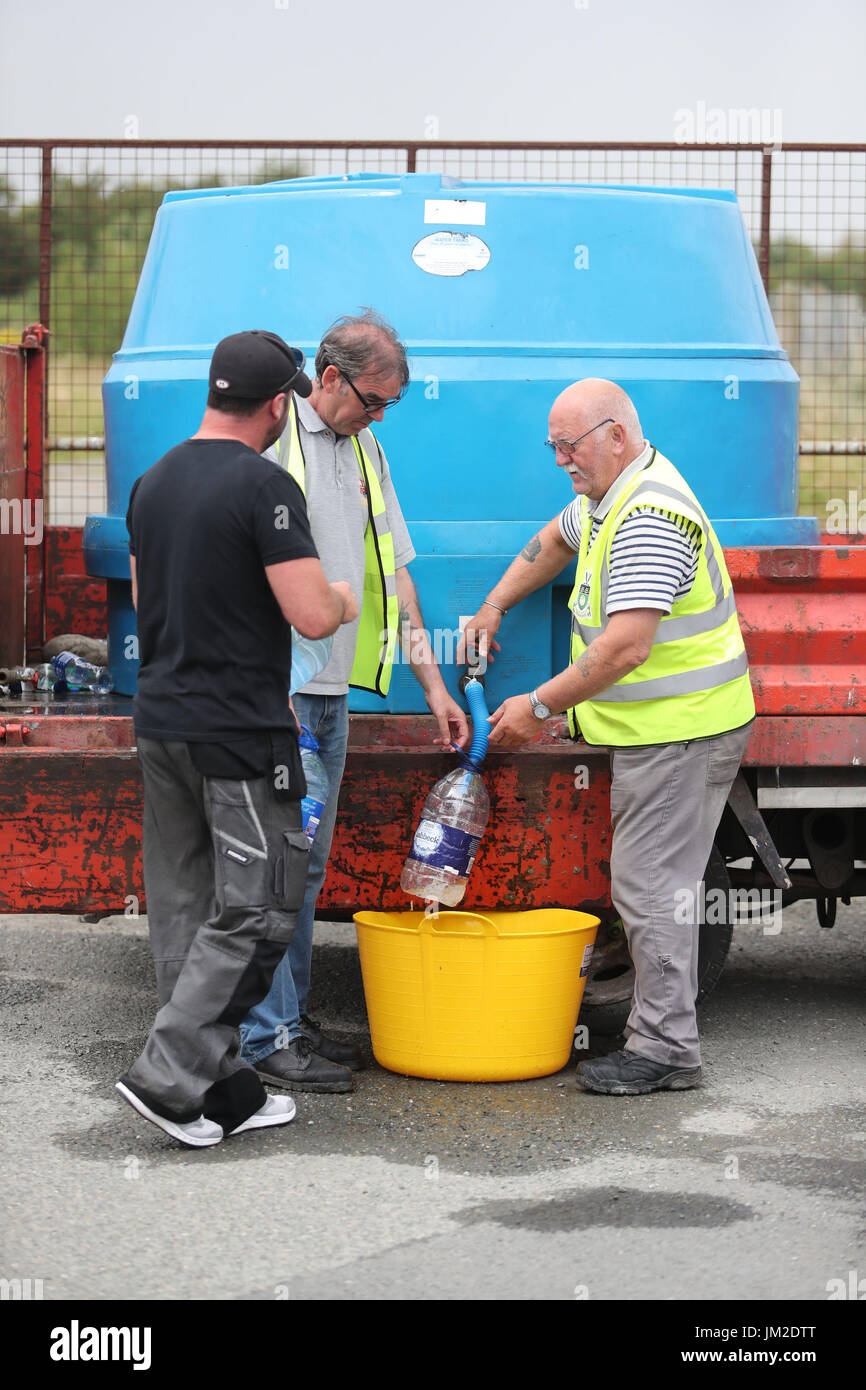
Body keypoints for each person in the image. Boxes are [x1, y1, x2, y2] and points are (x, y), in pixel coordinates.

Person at [460, 378, 755, 1096]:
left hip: (681, 734)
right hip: (658, 732)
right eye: (553, 447)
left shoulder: (649, 513)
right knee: (648, 883)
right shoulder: (610, 496)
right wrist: (494, 603)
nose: (561, 459)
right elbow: (554, 540)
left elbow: (625, 648)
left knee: (652, 887)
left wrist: (536, 704)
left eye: (570, 446)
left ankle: (665, 1050)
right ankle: (662, 1038)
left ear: (615, 436)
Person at [116, 330, 359, 1147]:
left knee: (185, 904)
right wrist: (346, 598)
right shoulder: (266, 487)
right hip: (240, 733)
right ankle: (167, 1075)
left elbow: (153, 611)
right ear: (279, 404)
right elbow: (312, 614)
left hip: (163, 723)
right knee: (260, 905)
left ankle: (223, 1093)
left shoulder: (152, 483)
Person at [240, 309, 469, 1094]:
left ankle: (287, 1023)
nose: (379, 416)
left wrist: (432, 683)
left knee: (304, 873)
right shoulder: (274, 441)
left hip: (331, 699)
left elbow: (395, 575)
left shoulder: (367, 449)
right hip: (286, 698)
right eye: (373, 400)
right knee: (277, 867)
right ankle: (265, 1037)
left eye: (390, 407)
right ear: (328, 377)